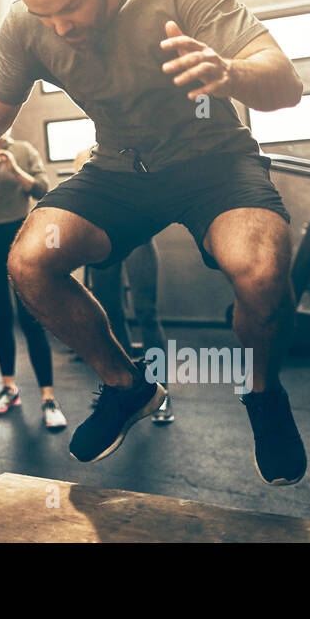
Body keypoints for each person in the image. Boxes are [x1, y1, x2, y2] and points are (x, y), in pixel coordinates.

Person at [0, 0, 307, 486]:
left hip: (214, 163)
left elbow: (286, 82)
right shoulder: (28, 25)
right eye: (44, 16)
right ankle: (125, 386)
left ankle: (265, 395)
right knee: (30, 261)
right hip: (121, 166)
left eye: (71, 7)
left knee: (263, 272)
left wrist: (230, 72)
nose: (59, 27)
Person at [0, 132, 68, 431]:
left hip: (20, 239)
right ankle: (9, 389)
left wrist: (14, 168)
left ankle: (48, 398)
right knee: (1, 319)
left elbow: (42, 189)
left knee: (31, 319)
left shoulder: (23, 149)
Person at [73, 145, 172, 424]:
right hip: (102, 241)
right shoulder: (85, 156)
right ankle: (129, 389)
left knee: (147, 313)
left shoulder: (132, 151)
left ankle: (161, 392)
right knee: (110, 315)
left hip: (138, 238)